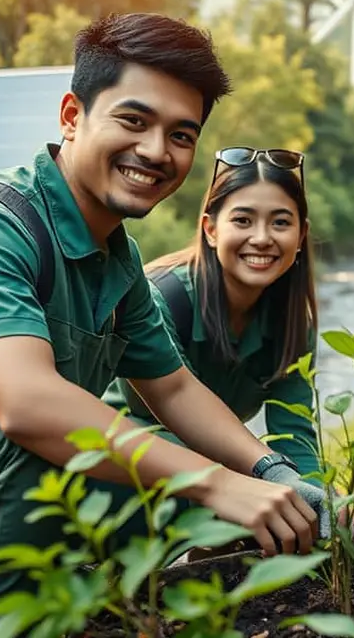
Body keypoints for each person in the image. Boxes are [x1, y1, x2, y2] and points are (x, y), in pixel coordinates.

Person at [0, 13, 325, 637]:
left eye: (181, 135)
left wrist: (272, 473)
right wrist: (214, 483)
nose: (156, 151)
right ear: (72, 114)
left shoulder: (118, 259)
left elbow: (174, 389)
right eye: (133, 121)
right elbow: (27, 408)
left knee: (121, 459)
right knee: (51, 426)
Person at [102, 145, 324, 500]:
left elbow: (294, 433)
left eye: (281, 222)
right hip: (122, 475)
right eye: (242, 220)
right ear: (211, 229)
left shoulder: (294, 323)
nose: (262, 238)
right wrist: (257, 483)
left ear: (300, 236)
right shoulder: (161, 299)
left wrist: (319, 503)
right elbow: (158, 425)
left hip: (214, 477)